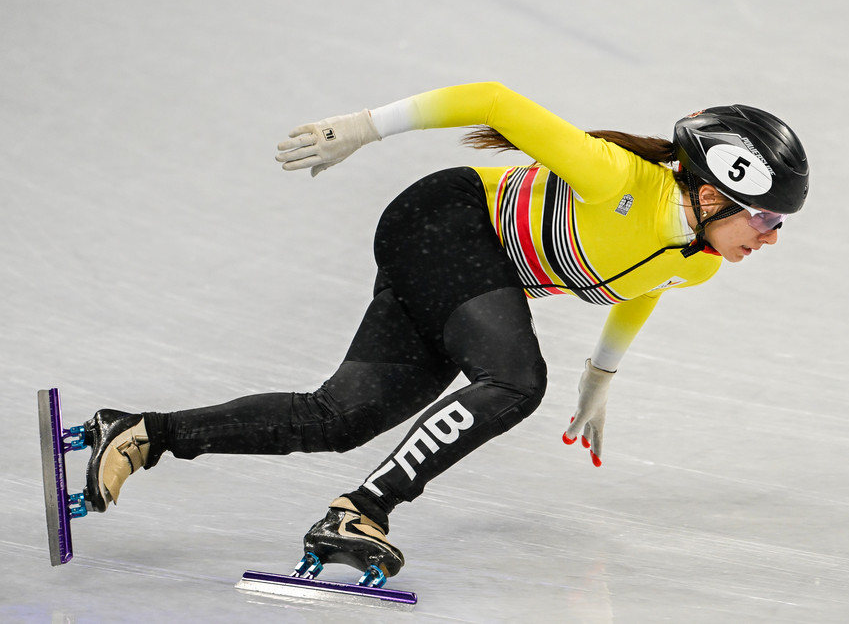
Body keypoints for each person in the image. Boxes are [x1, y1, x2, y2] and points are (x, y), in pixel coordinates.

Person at [79, 81, 809, 580]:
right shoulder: (618, 178)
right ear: (713, 192)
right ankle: (360, 511)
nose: (772, 237)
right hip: (444, 219)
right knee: (516, 380)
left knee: (340, 415)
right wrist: (360, 129)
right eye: (767, 217)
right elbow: (491, 99)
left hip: (463, 264)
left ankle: (140, 432)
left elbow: (650, 285)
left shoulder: (704, 261)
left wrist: (601, 378)